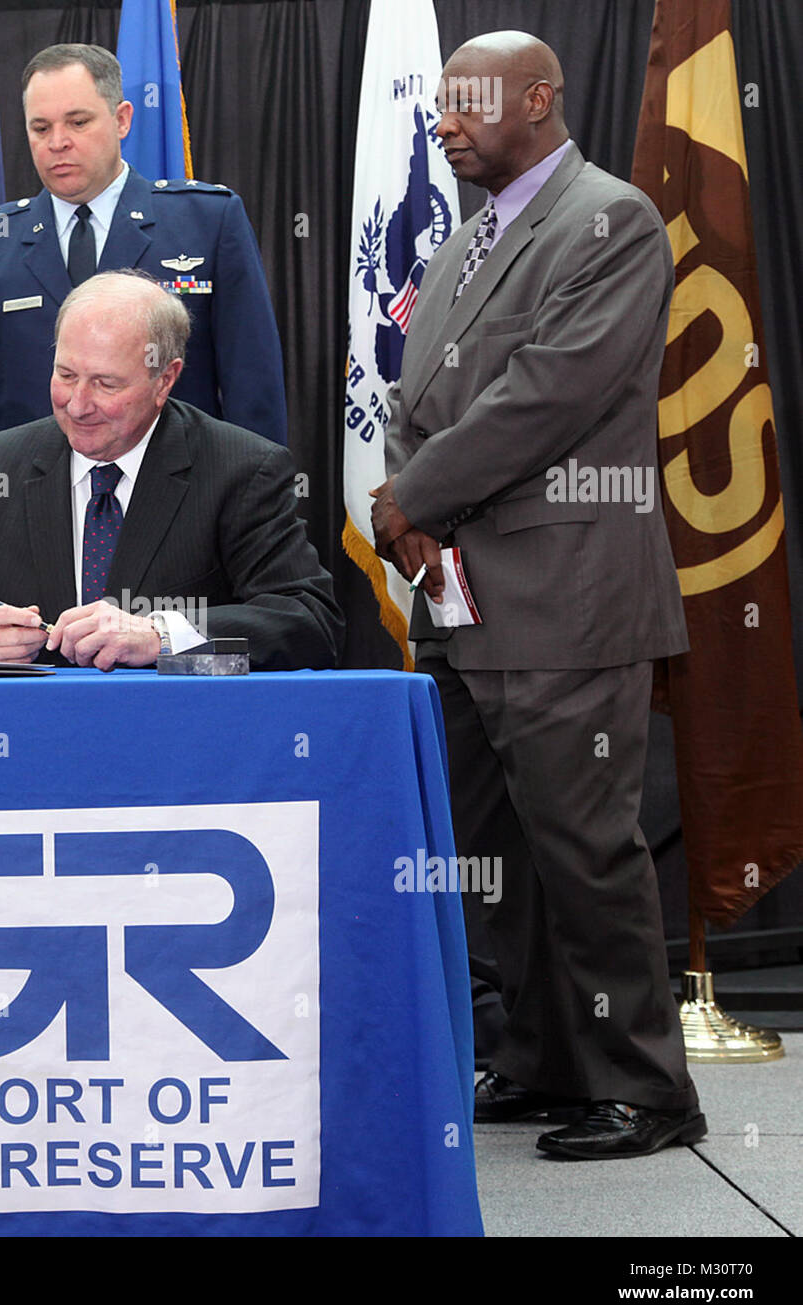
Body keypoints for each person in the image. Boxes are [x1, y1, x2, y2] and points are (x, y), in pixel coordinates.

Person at [372, 31, 702, 1159]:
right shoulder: (468, 240)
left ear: (541, 98)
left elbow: (546, 397)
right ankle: (544, 1059)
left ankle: (647, 1087)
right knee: (500, 856)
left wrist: (408, 495)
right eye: (441, 106)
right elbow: (422, 400)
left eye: (469, 103)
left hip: (565, 599)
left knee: (584, 847)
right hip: (462, 600)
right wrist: (415, 508)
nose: (445, 122)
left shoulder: (608, 221)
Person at [0, 42, 287, 607]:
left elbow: (253, 392)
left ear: (122, 119)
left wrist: (259, 526)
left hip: (182, 525)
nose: (56, 142)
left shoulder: (205, 222)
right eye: (39, 127)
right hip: (29, 528)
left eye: (77, 121)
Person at [0, 271, 340, 672]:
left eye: (106, 384)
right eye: (66, 375)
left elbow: (308, 622)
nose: (77, 405)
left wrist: (160, 637)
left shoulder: (240, 469)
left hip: (173, 739)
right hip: (25, 736)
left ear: (164, 380)